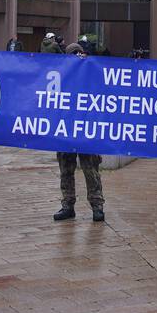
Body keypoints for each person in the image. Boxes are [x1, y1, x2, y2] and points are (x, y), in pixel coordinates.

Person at [54, 43, 106, 222]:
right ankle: (68, 205)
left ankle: (97, 206)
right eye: (73, 54)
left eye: (79, 54)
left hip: (86, 130)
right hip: (65, 129)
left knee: (90, 169)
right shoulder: (61, 75)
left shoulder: (90, 73)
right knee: (66, 169)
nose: (77, 57)